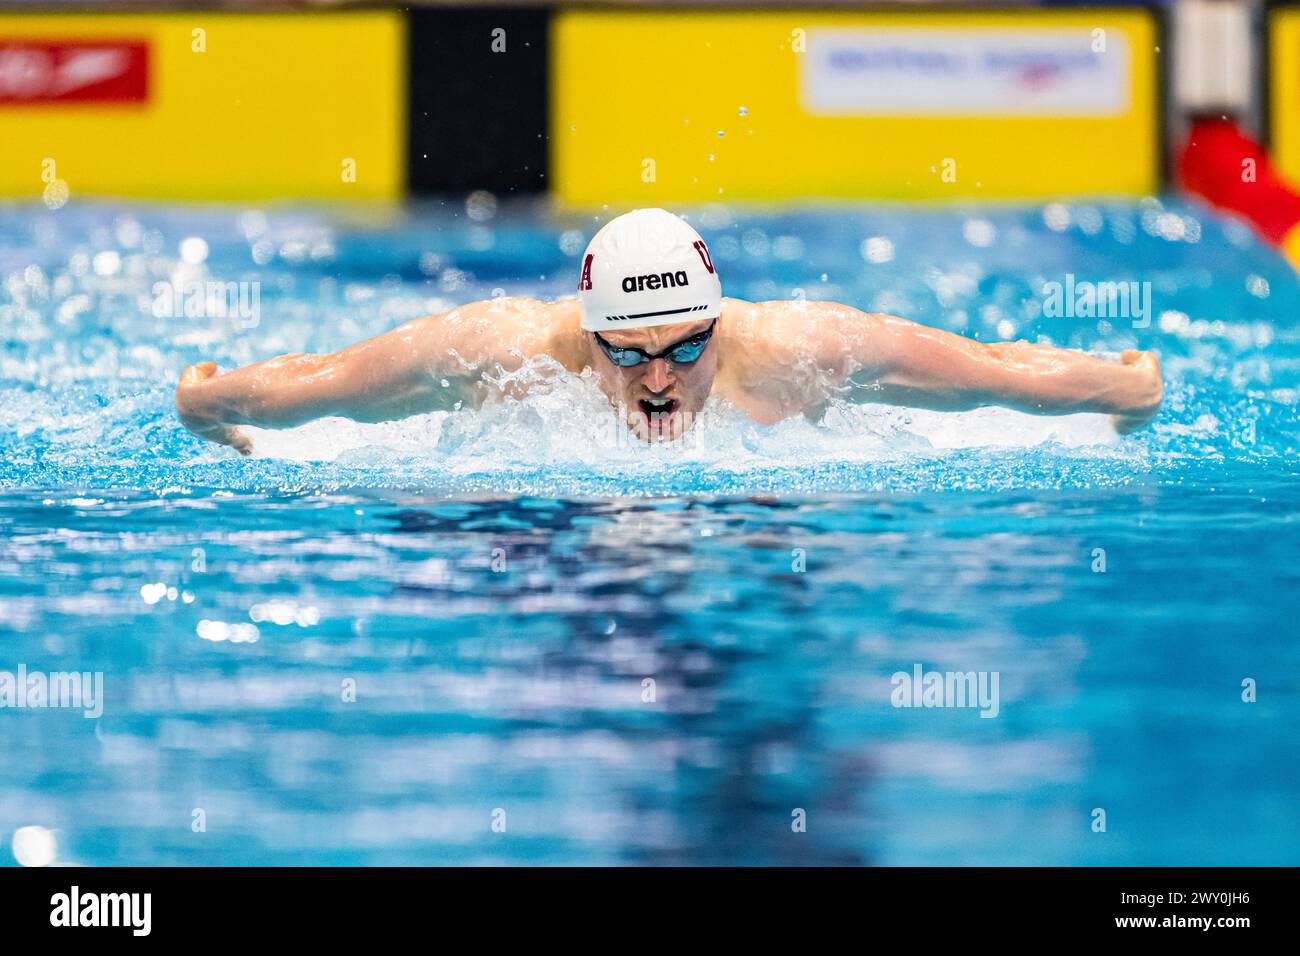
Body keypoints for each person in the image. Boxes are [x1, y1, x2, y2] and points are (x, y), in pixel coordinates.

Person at [176, 207, 1163, 452]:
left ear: (718, 322)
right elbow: (334, 377)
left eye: (686, 346)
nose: (659, 378)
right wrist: (220, 400)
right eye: (631, 353)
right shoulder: (508, 347)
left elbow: (984, 372)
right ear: (586, 334)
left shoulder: (791, 348)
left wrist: (1119, 386)